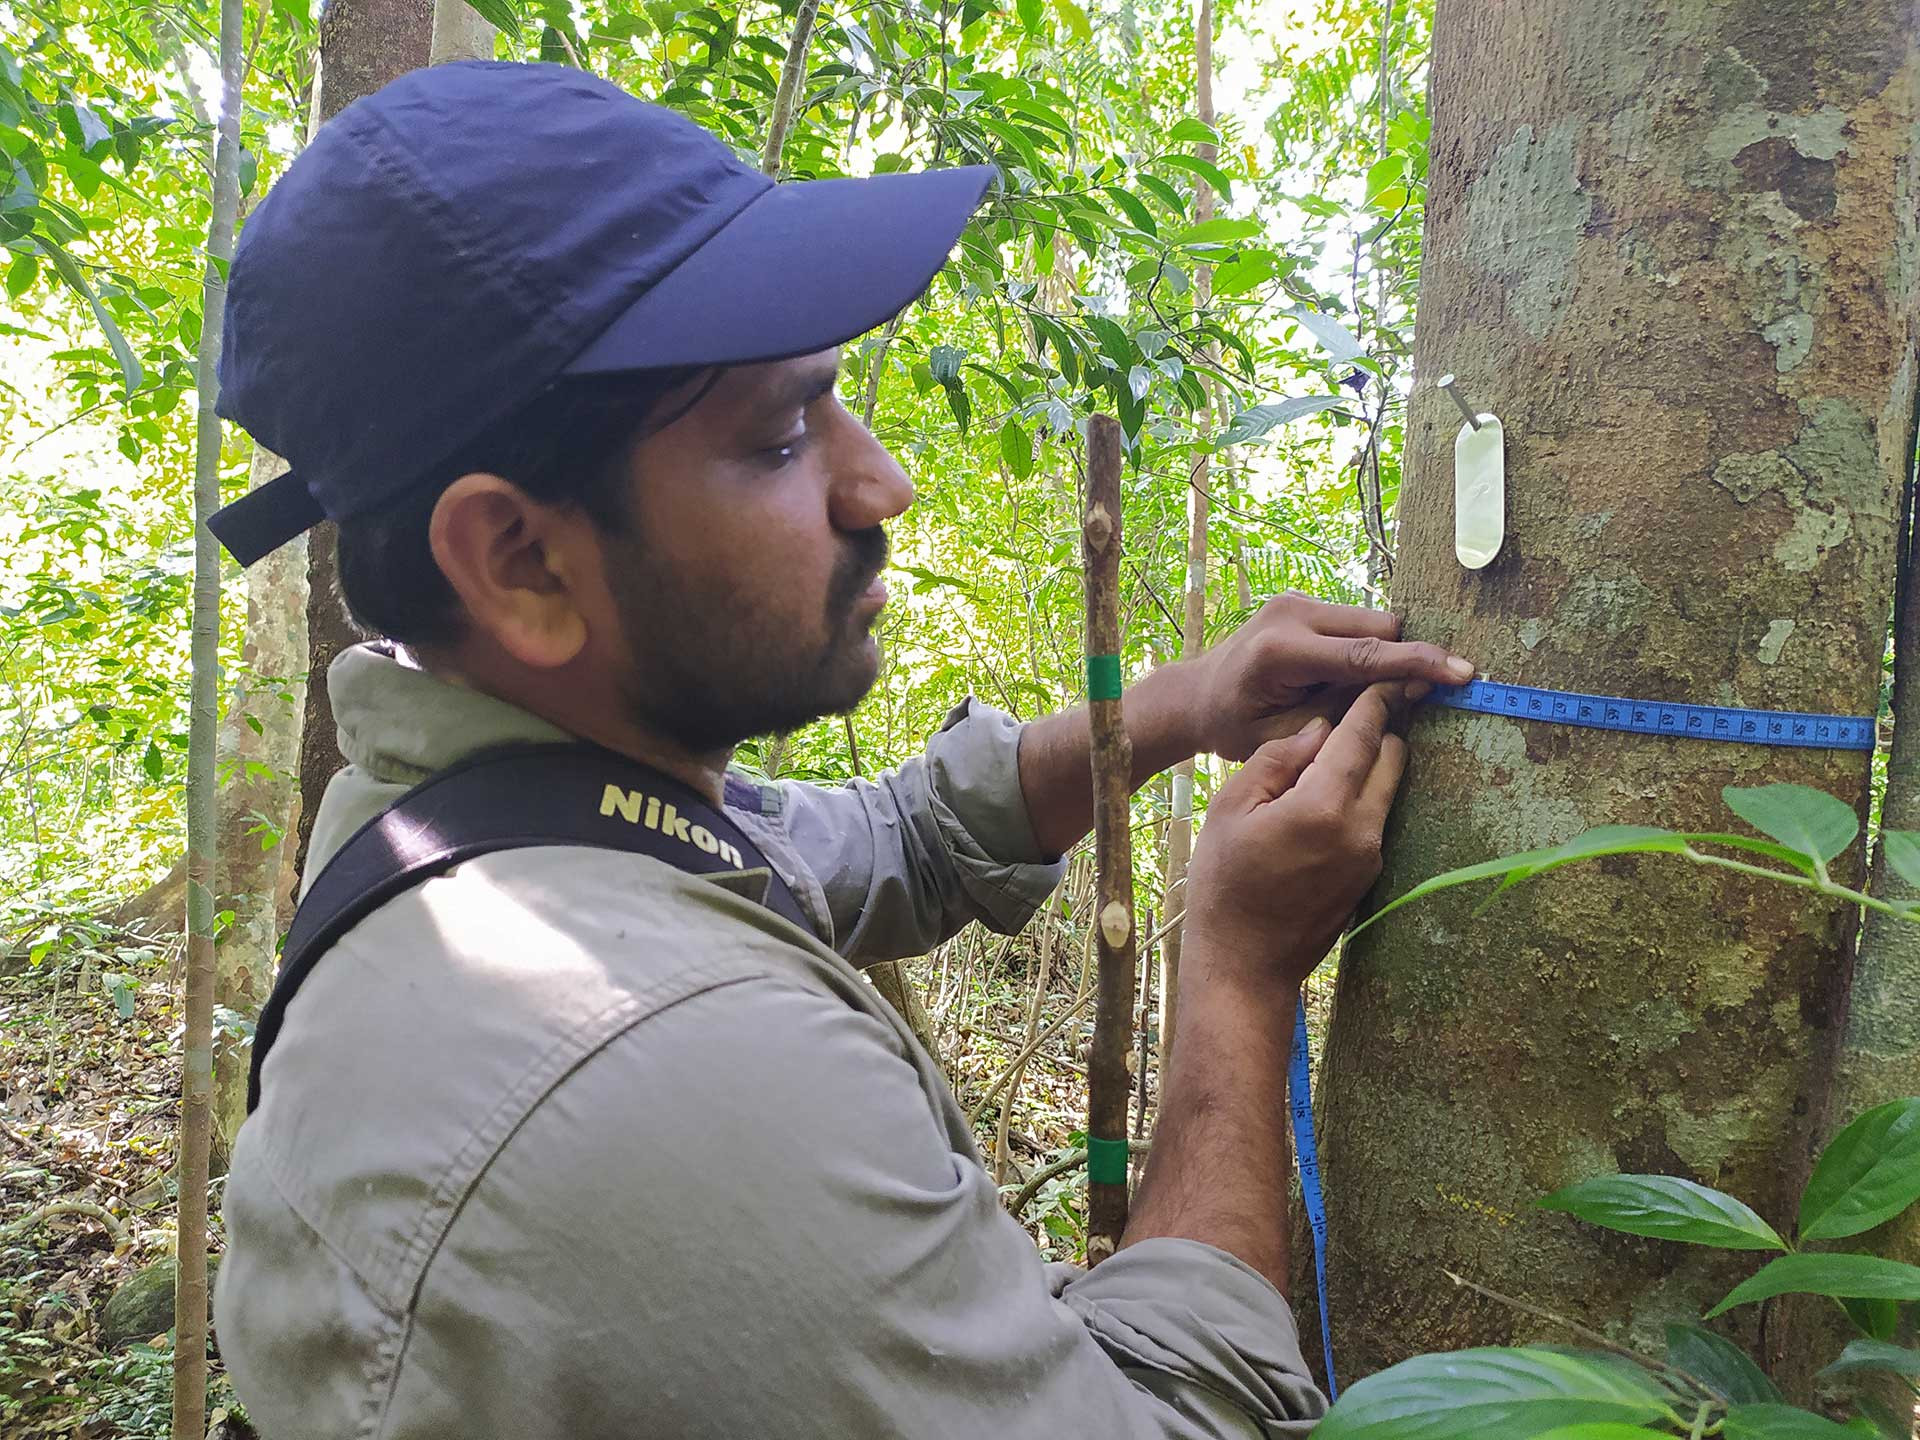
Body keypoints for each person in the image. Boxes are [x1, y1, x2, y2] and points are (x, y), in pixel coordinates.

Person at [207, 60, 1474, 1439]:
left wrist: (1184, 703)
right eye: (779, 438)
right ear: (519, 559)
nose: (881, 483)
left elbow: (893, 840)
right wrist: (1235, 971)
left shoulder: (491, 830)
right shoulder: (667, 1078)